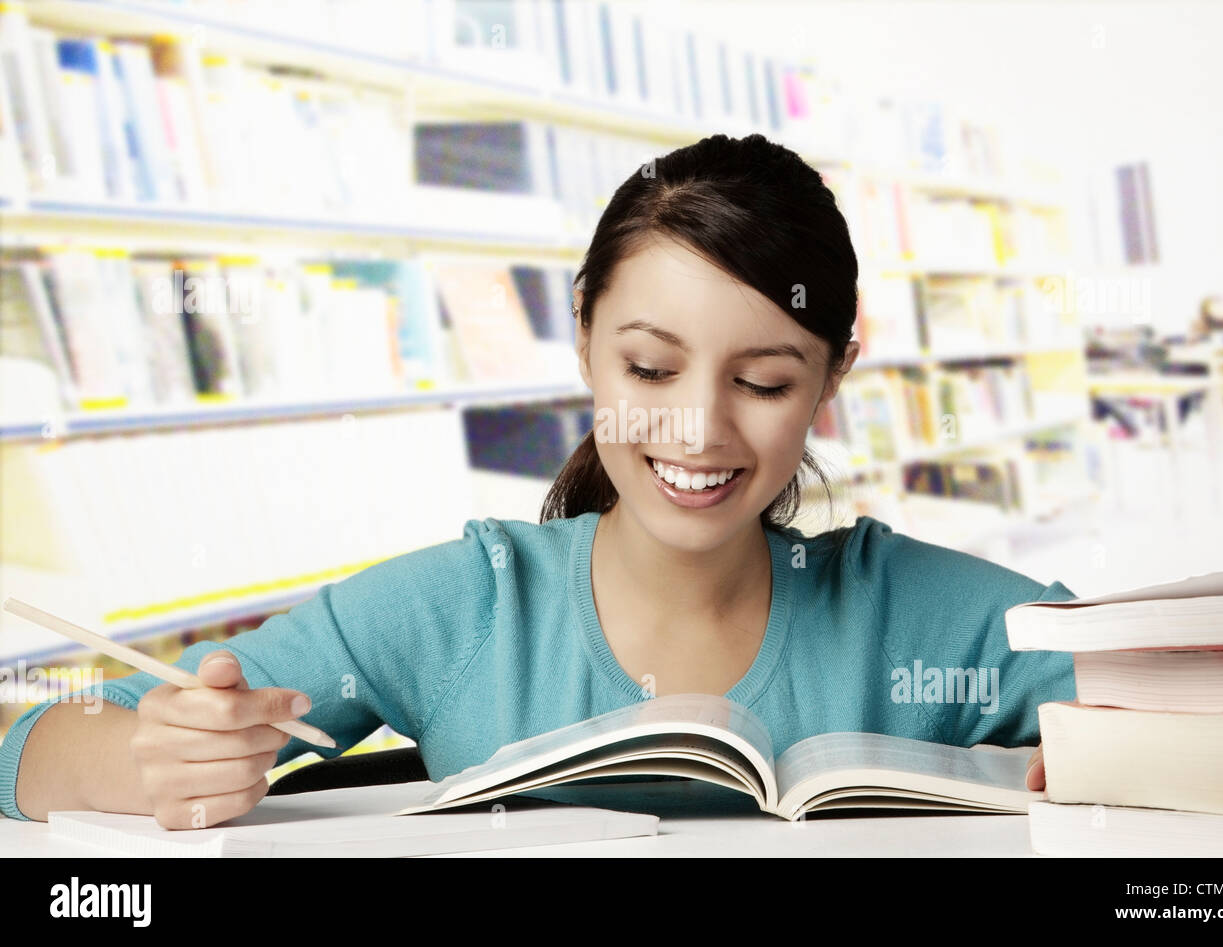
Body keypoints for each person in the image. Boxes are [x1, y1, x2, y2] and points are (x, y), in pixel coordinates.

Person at [2, 134, 1072, 828]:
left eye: (761, 379)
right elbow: (23, 743)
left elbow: (1174, 689)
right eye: (649, 367)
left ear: (832, 376)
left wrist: (1134, 746)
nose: (692, 426)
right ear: (583, 346)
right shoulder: (466, 605)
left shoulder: (930, 614)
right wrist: (148, 757)